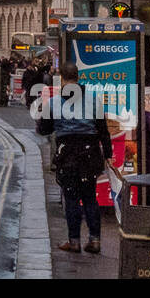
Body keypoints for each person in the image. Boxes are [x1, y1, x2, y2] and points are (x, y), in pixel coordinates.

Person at [36, 62, 112, 254]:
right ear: (78, 77)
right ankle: (94, 241)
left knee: (71, 198)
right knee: (89, 198)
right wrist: (109, 155)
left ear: (62, 78)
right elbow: (103, 130)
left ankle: (74, 241)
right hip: (90, 153)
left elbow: (43, 129)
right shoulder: (94, 100)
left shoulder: (53, 102)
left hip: (68, 153)